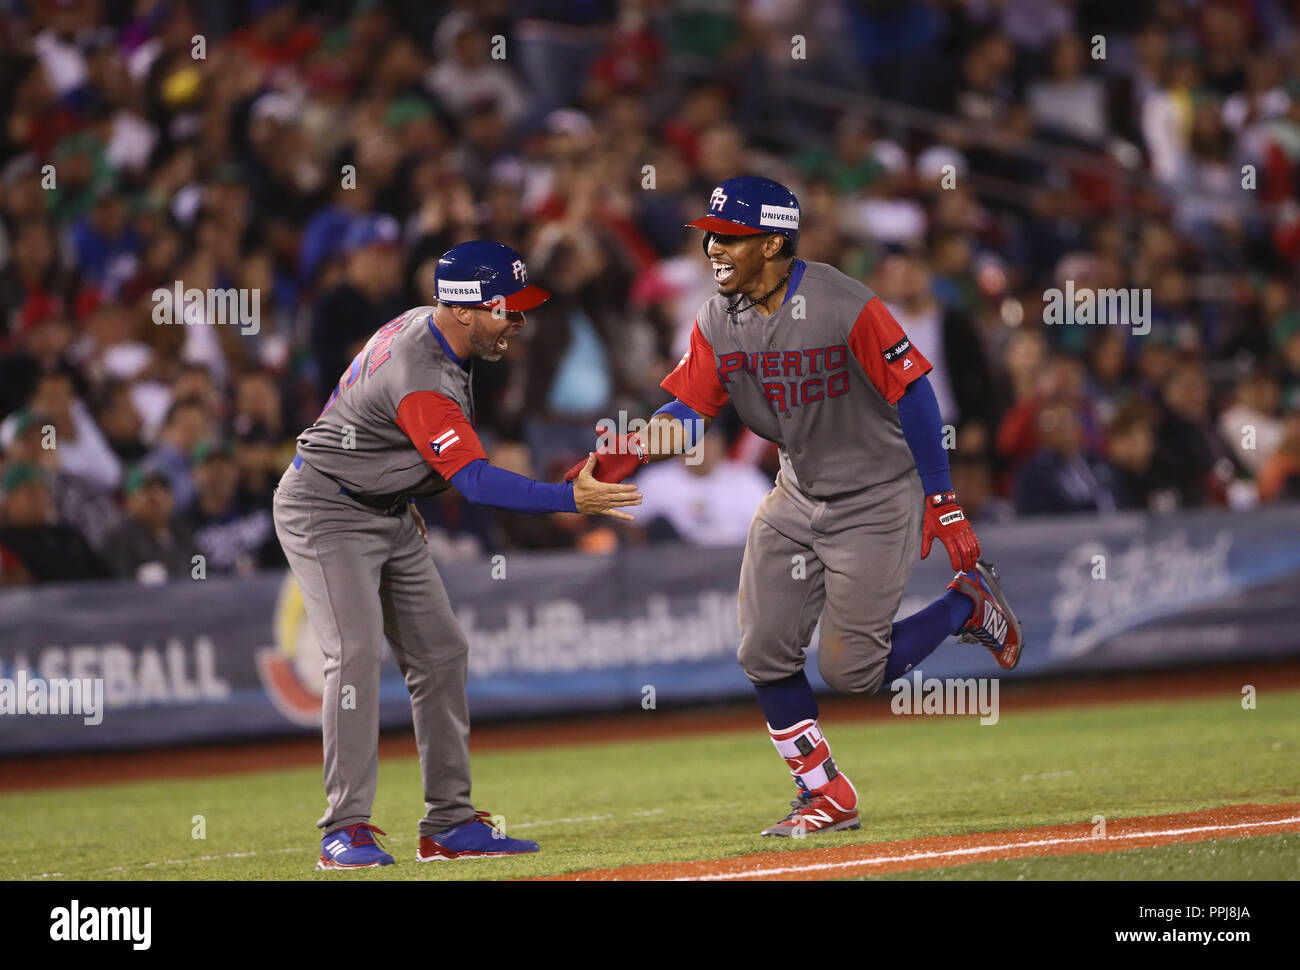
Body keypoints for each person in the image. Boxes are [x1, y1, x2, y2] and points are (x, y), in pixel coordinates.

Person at [568, 177, 1023, 837]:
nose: (714, 248)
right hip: (796, 487)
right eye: (711, 235)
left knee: (852, 670)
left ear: (776, 241)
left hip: (875, 492)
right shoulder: (718, 316)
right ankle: (825, 791)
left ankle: (966, 604)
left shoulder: (842, 301)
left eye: (731, 237)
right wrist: (615, 458)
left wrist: (941, 495)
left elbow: (915, 389)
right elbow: (688, 411)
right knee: (763, 650)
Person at [273, 240, 642, 870]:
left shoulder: (434, 326)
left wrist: (402, 482)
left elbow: (356, 411)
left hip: (384, 507)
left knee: (442, 654)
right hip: (327, 509)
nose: (519, 322)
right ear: (465, 309)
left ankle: (448, 823)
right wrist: (566, 498)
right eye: (508, 310)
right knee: (355, 657)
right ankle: (345, 829)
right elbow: (473, 481)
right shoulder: (422, 373)